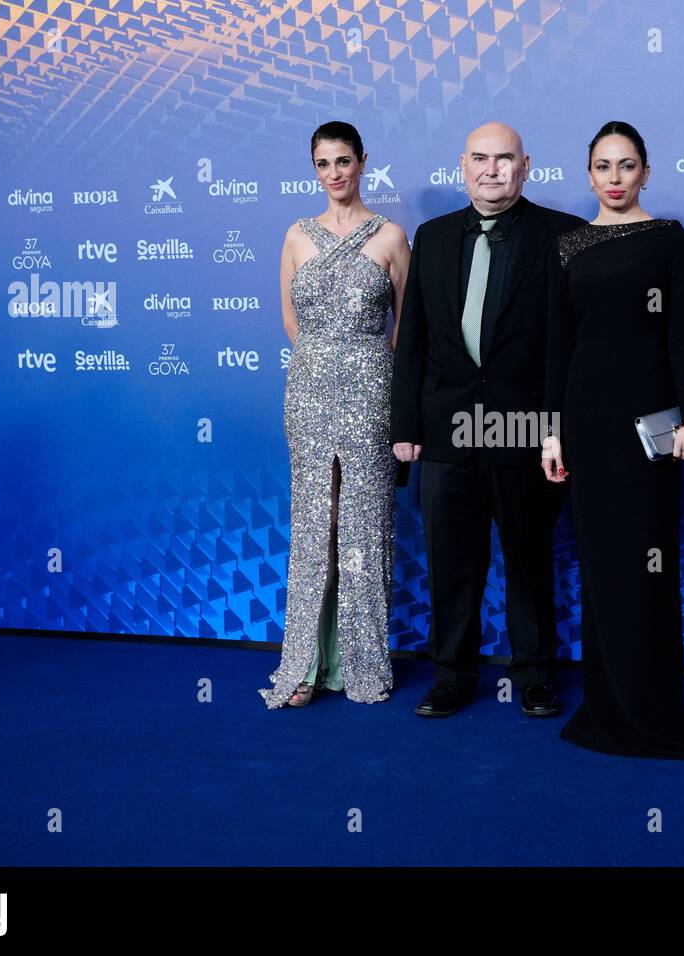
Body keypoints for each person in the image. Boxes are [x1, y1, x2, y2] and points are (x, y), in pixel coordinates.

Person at [541, 121, 684, 758]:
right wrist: (551, 433)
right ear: (588, 174)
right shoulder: (566, 246)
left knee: (649, 567)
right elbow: (557, 350)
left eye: (626, 166)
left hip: (651, 430)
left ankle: (653, 711)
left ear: (646, 171)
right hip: (586, 426)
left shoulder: (671, 242)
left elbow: (682, 339)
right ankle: (609, 710)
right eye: (602, 166)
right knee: (601, 568)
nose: (614, 179)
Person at [391, 121, 585, 718]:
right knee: (453, 561)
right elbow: (414, 341)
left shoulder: (563, 235)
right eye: (481, 158)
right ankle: (452, 675)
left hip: (525, 429)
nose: (492, 169)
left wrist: (557, 428)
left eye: (505, 159)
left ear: (526, 167)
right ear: (463, 165)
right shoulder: (434, 236)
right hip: (447, 428)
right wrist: (404, 427)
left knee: (528, 559)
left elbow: (570, 348)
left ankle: (533, 675)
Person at [260, 121, 410, 708]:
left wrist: (370, 369)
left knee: (365, 526)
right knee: (313, 525)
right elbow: (291, 324)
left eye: (344, 161)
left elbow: (408, 329)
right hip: (310, 391)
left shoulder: (392, 237)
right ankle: (304, 666)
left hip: (373, 392)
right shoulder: (296, 235)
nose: (335, 174)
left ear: (363, 161)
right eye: (323, 164)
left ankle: (361, 666)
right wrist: (326, 362)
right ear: (313, 168)